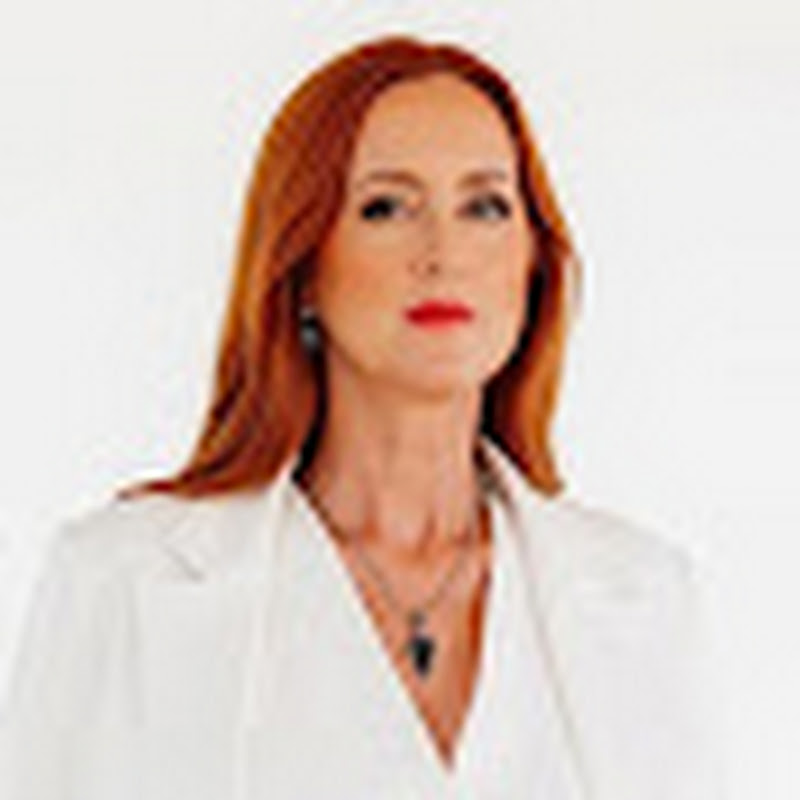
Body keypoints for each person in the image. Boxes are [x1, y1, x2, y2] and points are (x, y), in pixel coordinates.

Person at [0, 35, 724, 799]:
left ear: (531, 262)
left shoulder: (643, 595)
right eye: (386, 207)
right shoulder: (124, 581)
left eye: (484, 206)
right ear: (304, 266)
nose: (443, 252)